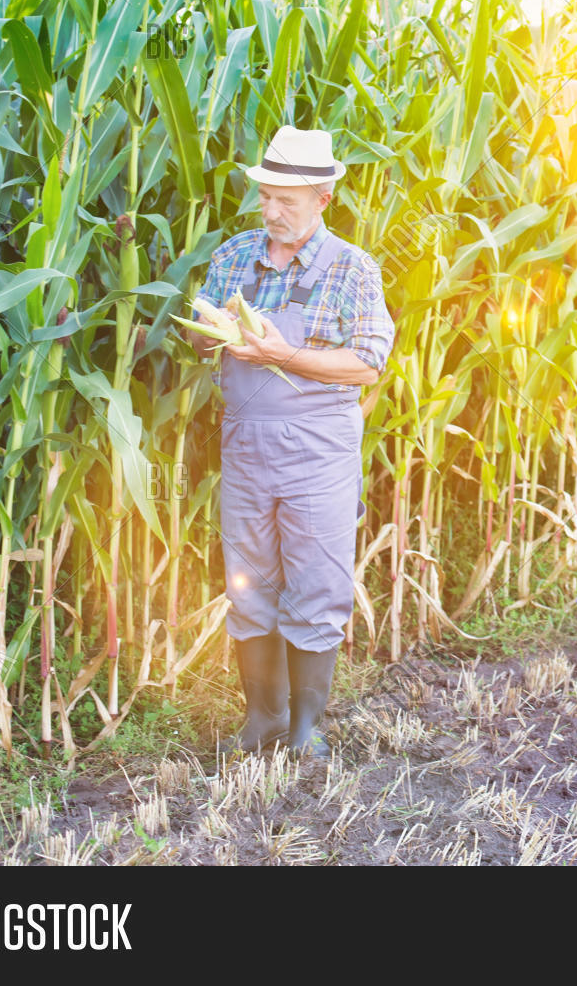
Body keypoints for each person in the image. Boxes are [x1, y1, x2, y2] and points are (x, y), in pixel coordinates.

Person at [183, 125, 394, 756]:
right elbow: (199, 341)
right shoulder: (233, 257)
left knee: (316, 584)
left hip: (319, 453)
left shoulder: (352, 269)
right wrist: (207, 330)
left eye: (288, 201)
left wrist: (287, 353)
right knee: (249, 583)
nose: (273, 212)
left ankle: (306, 727)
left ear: (323, 199)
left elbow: (367, 363)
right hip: (247, 447)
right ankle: (263, 719)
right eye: (267, 197)